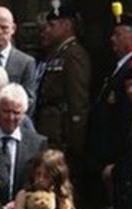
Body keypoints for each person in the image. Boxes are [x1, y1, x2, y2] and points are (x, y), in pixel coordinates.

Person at [88, 12, 132, 199]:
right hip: (105, 160)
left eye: (118, 34)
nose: (112, 39)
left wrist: (118, 165)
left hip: (117, 163)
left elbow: (130, 121)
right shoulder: (119, 69)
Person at [34, 2, 91, 183]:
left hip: (62, 132)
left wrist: (75, 139)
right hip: (50, 128)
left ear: (67, 25)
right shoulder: (55, 53)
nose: (47, 30)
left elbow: (78, 99)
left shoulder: (74, 54)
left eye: (52, 25)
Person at [0, 84, 48, 204]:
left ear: (24, 114)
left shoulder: (38, 144)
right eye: (6, 111)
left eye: (16, 113)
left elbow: (39, 183)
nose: (10, 117)